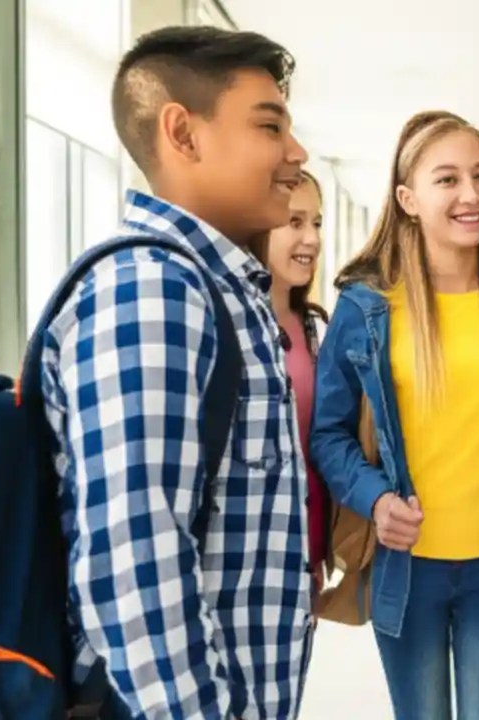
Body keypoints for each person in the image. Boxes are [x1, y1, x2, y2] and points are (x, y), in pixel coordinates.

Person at [40, 26, 311, 719]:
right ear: (182, 135)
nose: (295, 152)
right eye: (269, 125)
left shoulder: (217, 289)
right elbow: (136, 561)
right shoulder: (150, 292)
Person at [310, 110, 479, 720]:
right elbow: (328, 433)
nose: (471, 194)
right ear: (408, 198)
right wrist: (375, 498)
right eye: (447, 179)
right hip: (406, 570)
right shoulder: (367, 308)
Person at [248, 169, 330, 592]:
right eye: (295, 222)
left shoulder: (316, 328)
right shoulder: (234, 325)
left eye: (316, 223)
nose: (312, 239)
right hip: (250, 555)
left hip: (307, 551)